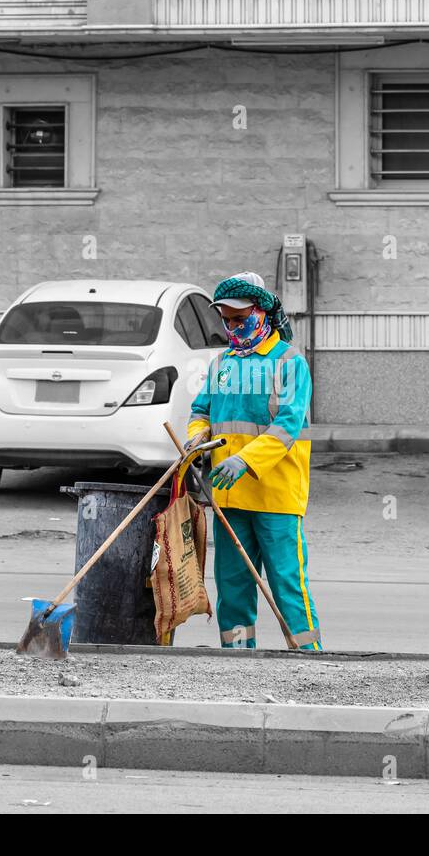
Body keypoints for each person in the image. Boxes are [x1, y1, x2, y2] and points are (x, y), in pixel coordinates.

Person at [184, 271, 321, 651]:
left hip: (276, 496)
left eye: (239, 319)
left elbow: (287, 425)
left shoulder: (289, 363)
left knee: (287, 584)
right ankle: (239, 659)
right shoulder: (222, 364)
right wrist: (196, 436)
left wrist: (245, 460)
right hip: (228, 498)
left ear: (262, 312)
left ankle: (309, 655)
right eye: (226, 320)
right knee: (233, 588)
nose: (232, 327)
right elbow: (201, 410)